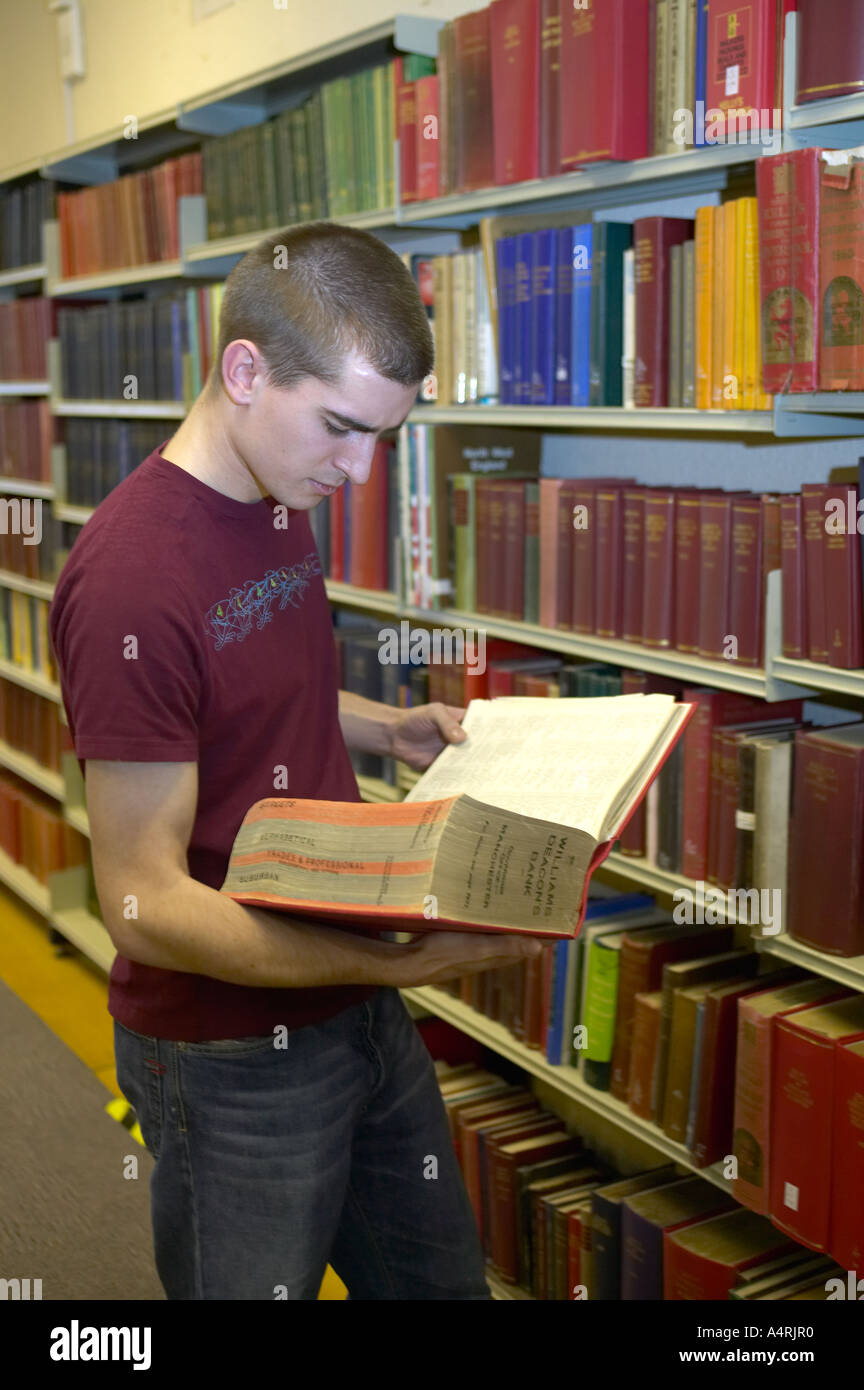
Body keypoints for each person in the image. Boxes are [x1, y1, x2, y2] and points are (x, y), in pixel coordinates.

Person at [49, 222, 543, 1301]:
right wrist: (397, 968)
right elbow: (142, 900)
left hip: (347, 990)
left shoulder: (279, 485)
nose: (359, 472)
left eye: (380, 439)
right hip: (228, 1052)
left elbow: (252, 689)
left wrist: (382, 726)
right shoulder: (135, 580)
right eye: (341, 429)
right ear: (244, 370)